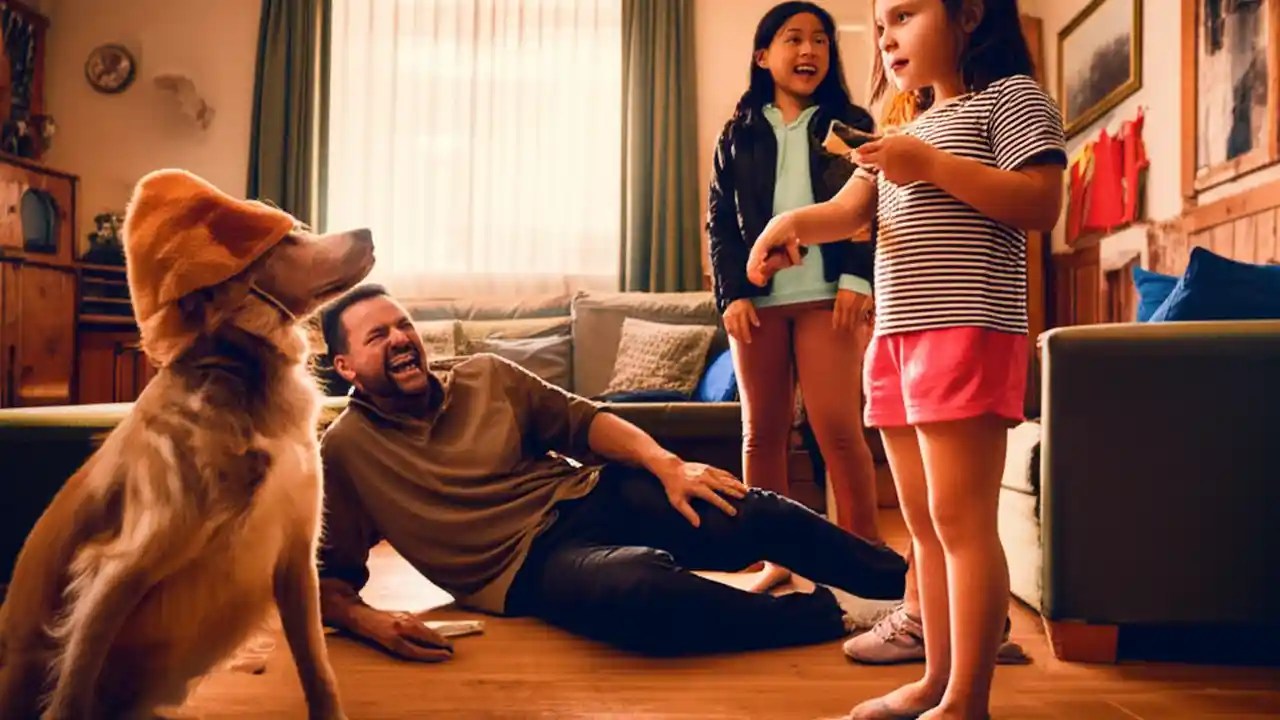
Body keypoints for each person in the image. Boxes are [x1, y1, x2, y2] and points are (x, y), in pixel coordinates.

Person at [747, 0, 1066, 717]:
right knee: (923, 526)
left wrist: (931, 164)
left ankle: (965, 700)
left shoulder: (1010, 99)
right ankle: (936, 679)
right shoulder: (903, 125)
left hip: (967, 331)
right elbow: (853, 212)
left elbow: (1041, 203)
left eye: (905, 13)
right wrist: (788, 222)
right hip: (894, 343)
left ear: (970, 15)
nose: (886, 35)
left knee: (960, 523)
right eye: (881, 23)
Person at [313, 285, 908, 660]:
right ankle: (834, 615)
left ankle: (923, 596)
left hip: (588, 495)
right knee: (640, 591)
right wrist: (370, 624)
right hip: (524, 568)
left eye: (403, 326)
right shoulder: (342, 454)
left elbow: (587, 422)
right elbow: (328, 583)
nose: (400, 340)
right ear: (345, 366)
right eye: (377, 336)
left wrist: (670, 466)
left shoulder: (485, 375)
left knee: (743, 508)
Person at [707, 0, 881, 595]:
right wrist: (731, 293)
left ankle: (864, 557)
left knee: (837, 429)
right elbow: (719, 225)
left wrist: (859, 280)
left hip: (829, 295)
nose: (809, 50)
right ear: (763, 55)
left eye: (821, 40)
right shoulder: (737, 133)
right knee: (761, 434)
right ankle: (773, 559)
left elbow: (869, 208)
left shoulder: (850, 121)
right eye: (793, 38)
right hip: (757, 302)